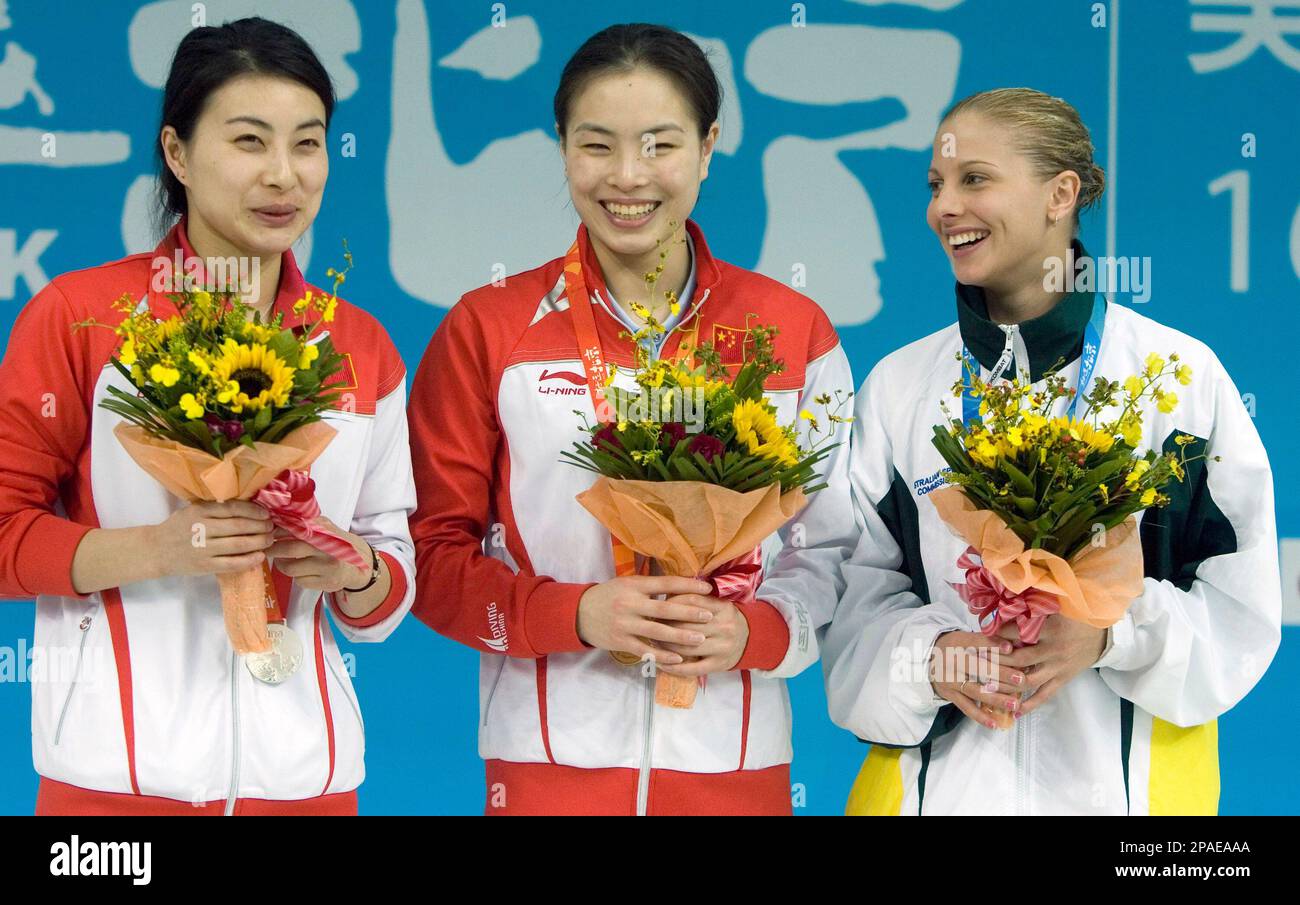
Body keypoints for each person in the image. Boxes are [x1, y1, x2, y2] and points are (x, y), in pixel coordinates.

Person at [408, 23, 855, 815]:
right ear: (561, 147)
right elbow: (430, 559)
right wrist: (573, 613)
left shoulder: (793, 331)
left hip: (737, 766)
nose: (627, 176)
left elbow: (832, 548)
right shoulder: (489, 327)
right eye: (596, 145)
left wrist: (756, 633)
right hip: (543, 766)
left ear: (709, 145)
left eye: (660, 145)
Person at [822, 87, 1280, 815]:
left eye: (976, 178)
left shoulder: (1180, 380)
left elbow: (1240, 613)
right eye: (937, 184)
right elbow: (852, 614)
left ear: (1060, 194)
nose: (945, 207)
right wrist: (932, 658)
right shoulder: (901, 386)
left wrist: (1108, 636)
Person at [0, 17, 416, 815]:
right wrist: (157, 548)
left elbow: (390, 582)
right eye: (250, 141)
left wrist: (356, 568)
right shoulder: (80, 318)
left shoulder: (361, 346)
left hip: (310, 786)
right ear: (178, 153)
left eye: (308, 143)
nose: (284, 176)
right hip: (114, 791)